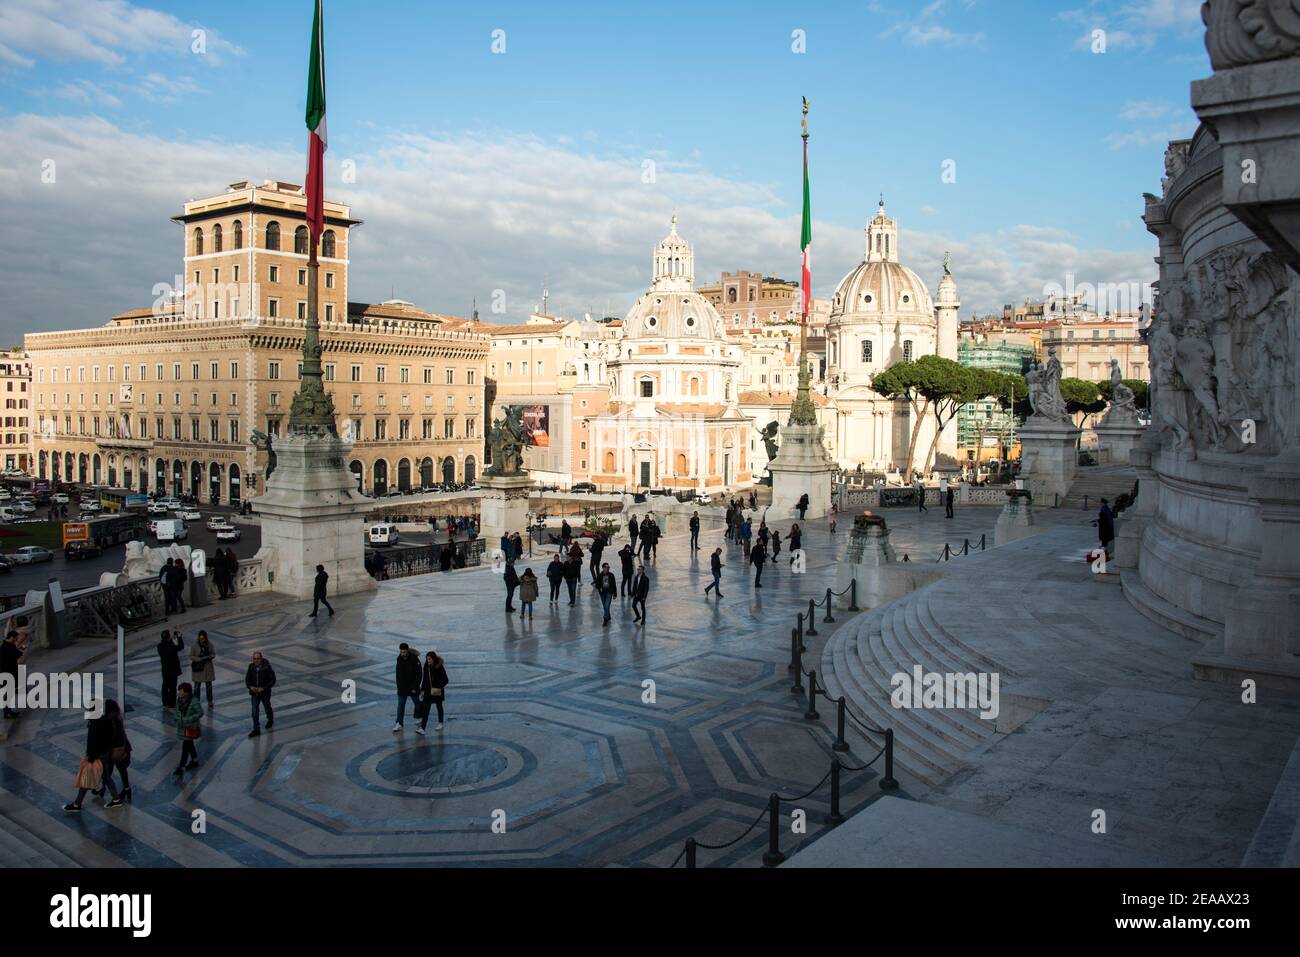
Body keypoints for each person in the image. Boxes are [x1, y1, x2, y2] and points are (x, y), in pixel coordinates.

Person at [64, 700, 126, 812]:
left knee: (87, 777)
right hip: (104, 754)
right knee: (106, 777)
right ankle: (116, 799)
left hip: (97, 755)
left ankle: (77, 804)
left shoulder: (95, 722)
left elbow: (93, 741)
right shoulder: (104, 720)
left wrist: (91, 756)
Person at [172, 682, 203, 777]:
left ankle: (181, 767)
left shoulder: (194, 701)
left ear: (186, 692)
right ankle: (195, 760)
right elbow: (177, 711)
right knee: (189, 745)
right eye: (179, 691)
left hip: (190, 727)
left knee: (186, 747)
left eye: (180, 691)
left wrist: (188, 719)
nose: (179, 693)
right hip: (182, 727)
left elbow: (200, 713)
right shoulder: (179, 700)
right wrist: (178, 718)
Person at [245, 650, 276, 737]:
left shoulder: (267, 667)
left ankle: (270, 719)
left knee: (267, 707)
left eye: (258, 659)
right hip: (254, 693)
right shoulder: (251, 667)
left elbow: (272, 680)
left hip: (264, 693)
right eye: (254, 659)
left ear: (261, 659)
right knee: (254, 711)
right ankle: (256, 728)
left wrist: (263, 688)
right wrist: (251, 687)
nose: (256, 661)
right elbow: (247, 680)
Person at [417, 651, 450, 734]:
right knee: (426, 710)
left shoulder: (439, 667)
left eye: (429, 659)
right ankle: (422, 728)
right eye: (427, 659)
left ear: (434, 659)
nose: (428, 661)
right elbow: (424, 679)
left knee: (439, 706)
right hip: (428, 692)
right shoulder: (426, 666)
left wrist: (438, 687)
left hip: (437, 692)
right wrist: (422, 689)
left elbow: (446, 680)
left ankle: (440, 722)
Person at [393, 643, 422, 731]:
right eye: (401, 652)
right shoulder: (399, 659)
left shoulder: (414, 659)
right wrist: (398, 686)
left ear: (407, 650)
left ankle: (418, 716)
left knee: (417, 703)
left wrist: (415, 687)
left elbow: (419, 674)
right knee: (401, 706)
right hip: (402, 687)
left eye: (404, 652)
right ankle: (399, 723)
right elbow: (397, 674)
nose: (402, 654)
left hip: (413, 687)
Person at [157, 629, 184, 709]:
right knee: (172, 687)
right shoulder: (171, 646)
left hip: (165, 670)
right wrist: (179, 638)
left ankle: (165, 702)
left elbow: (169, 644)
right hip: (173, 670)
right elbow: (180, 646)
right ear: (168, 637)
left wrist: (172, 639)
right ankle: (172, 703)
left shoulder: (160, 646)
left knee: (165, 686)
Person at [190, 630, 215, 706]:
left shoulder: (209, 644)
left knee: (209, 686)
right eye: (200, 639)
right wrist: (199, 659)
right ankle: (196, 701)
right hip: (198, 668)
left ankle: (210, 701)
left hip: (207, 668)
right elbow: (191, 656)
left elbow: (213, 653)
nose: (202, 640)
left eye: (203, 638)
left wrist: (210, 656)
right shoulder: (194, 646)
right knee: (197, 687)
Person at [1, 627, 21, 719]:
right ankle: (7, 712)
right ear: (12, 637)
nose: (16, 640)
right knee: (8, 694)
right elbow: (19, 657)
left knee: (7, 693)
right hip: (9, 673)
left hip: (4, 673)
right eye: (16, 638)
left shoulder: (3, 647)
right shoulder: (10, 647)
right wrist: (24, 650)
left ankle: (8, 712)